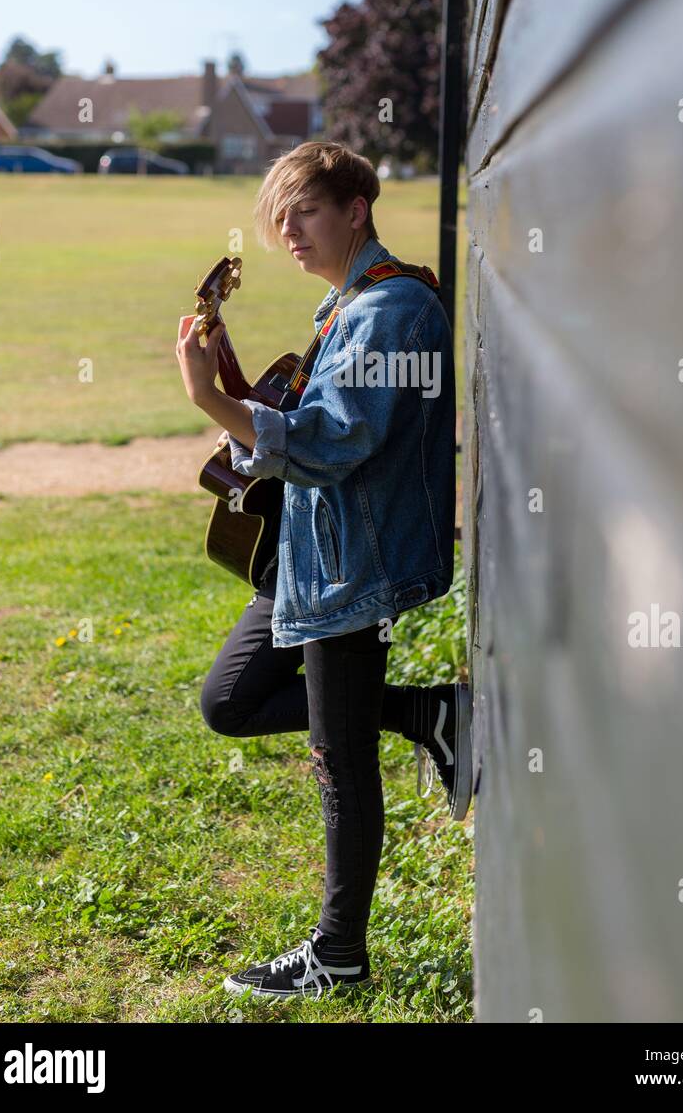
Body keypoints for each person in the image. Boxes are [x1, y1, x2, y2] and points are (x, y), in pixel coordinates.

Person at [175, 140, 471, 1000]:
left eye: (306, 210)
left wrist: (208, 401)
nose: (288, 229)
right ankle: (429, 712)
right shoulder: (350, 303)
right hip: (311, 553)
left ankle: (338, 955)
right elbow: (304, 415)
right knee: (228, 700)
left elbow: (335, 440)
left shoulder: (392, 311)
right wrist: (230, 375)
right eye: (281, 214)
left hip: (353, 564)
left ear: (356, 210)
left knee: (340, 761)